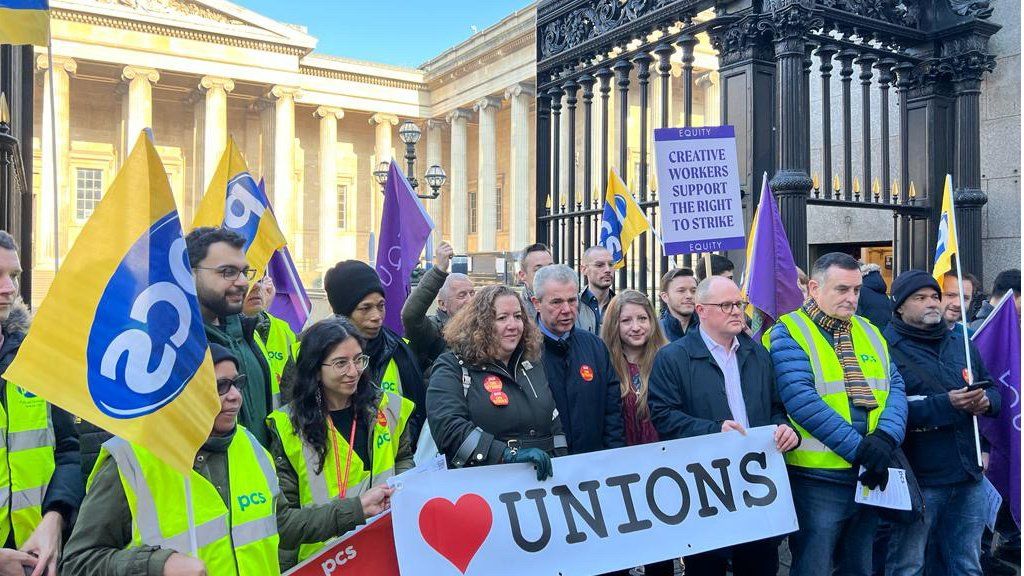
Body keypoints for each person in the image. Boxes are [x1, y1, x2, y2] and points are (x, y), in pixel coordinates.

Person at [62, 344, 393, 575]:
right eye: (220, 387)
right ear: (184, 392)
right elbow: (78, 563)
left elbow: (283, 526)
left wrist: (358, 508)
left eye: (236, 383)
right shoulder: (129, 461)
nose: (235, 395)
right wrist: (156, 565)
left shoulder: (249, 446)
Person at [768, 252, 907, 576]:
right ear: (814, 288)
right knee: (813, 566)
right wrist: (862, 450)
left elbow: (895, 389)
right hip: (817, 478)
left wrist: (885, 438)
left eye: (856, 290)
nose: (852, 298)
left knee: (860, 566)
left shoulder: (869, 329)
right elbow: (802, 401)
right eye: (842, 289)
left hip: (867, 471)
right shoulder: (788, 331)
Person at [649, 276, 798, 576]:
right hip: (705, 486)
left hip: (756, 483)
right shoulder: (674, 357)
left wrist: (783, 428)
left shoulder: (757, 354)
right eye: (726, 305)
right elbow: (663, 415)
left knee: (759, 563)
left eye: (739, 304)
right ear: (701, 311)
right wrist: (714, 431)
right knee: (708, 567)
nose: (736, 312)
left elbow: (775, 408)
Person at [267, 317, 414, 566]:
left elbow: (402, 457)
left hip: (386, 550)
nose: (354, 371)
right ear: (315, 369)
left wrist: (402, 489)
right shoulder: (287, 426)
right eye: (340, 363)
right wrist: (356, 509)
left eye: (359, 359)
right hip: (325, 561)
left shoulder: (389, 408)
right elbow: (285, 524)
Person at [881, 270, 1000, 576]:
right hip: (918, 479)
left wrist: (986, 402)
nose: (932, 303)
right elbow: (887, 410)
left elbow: (993, 389)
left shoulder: (960, 339)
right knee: (908, 565)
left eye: (935, 296)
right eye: (920, 298)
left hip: (966, 475)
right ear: (900, 307)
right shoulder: (883, 346)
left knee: (966, 563)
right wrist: (945, 404)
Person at [0, 231, 82, 576]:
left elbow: (68, 449)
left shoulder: (36, 358)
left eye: (13, 275)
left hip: (37, 557)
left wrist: (55, 519)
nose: (8, 288)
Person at [427, 285, 566, 477]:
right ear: (481, 324)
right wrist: (505, 455)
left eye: (518, 317)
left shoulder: (532, 363)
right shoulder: (452, 366)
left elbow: (554, 421)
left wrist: (562, 465)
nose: (513, 325)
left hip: (538, 486)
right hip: (483, 487)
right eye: (502, 318)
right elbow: (448, 427)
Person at [599, 290, 674, 576]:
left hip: (662, 469)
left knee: (660, 548)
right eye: (626, 320)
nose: (636, 326)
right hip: (621, 470)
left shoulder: (669, 358)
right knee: (622, 549)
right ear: (613, 325)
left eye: (642, 318)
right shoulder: (604, 363)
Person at [187, 226, 274, 446]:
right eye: (228, 272)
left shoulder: (249, 335)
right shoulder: (175, 347)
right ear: (190, 273)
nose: (244, 282)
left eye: (244, 272)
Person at [324, 260, 425, 443]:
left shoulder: (399, 349)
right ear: (343, 311)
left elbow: (415, 418)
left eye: (381, 305)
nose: (377, 316)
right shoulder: (309, 353)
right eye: (365, 308)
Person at [533, 265, 625, 454]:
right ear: (536, 303)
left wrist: (614, 456)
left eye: (572, 300)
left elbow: (612, 411)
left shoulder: (595, 346)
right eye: (556, 302)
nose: (566, 309)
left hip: (593, 467)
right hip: (544, 470)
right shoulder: (522, 350)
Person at [401, 240, 475, 373]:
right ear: (442, 304)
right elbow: (411, 315)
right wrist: (439, 270)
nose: (470, 300)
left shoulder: (483, 327)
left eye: (472, 293)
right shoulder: (432, 330)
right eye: (462, 295)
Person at [244, 273, 298, 408]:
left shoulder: (284, 330)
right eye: (248, 278)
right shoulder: (218, 334)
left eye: (260, 280)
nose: (256, 286)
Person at [576, 246, 615, 334]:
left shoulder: (621, 305)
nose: (608, 270)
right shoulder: (573, 306)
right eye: (599, 265)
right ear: (584, 270)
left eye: (611, 264)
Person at [659, 267, 699, 342]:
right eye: (681, 291)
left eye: (693, 291)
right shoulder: (655, 332)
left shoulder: (707, 329)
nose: (689, 296)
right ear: (665, 297)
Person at [517, 243, 553, 321]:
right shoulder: (517, 309)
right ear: (522, 275)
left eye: (551, 268)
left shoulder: (572, 302)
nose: (548, 274)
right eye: (539, 270)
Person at [856, 263, 893, 331]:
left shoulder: (860, 290)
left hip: (870, 332)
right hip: (887, 330)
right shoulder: (881, 290)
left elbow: (856, 316)